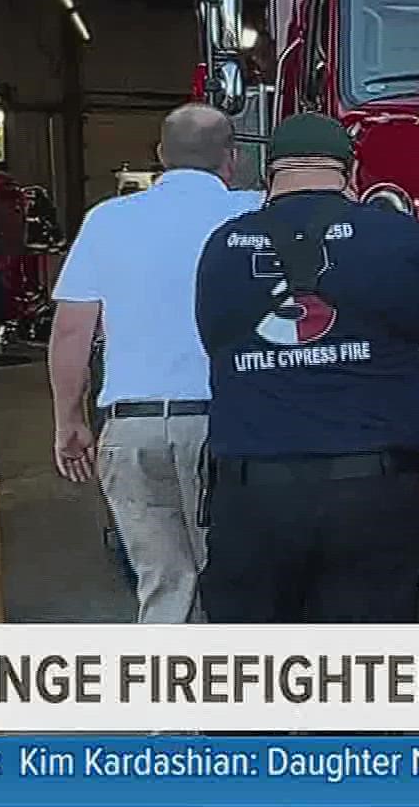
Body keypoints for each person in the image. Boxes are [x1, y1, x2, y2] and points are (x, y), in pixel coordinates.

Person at [192, 114, 419, 623]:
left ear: (269, 174)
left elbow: (215, 341)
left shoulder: (222, 248)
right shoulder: (401, 236)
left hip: (253, 497)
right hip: (373, 492)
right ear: (351, 171)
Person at [47, 103, 261, 623]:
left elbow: (73, 329)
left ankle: (169, 697)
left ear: (162, 155)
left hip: (132, 427)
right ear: (231, 160)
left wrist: (69, 422)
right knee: (235, 581)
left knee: (163, 584)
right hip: (228, 429)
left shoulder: (108, 220)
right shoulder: (254, 213)